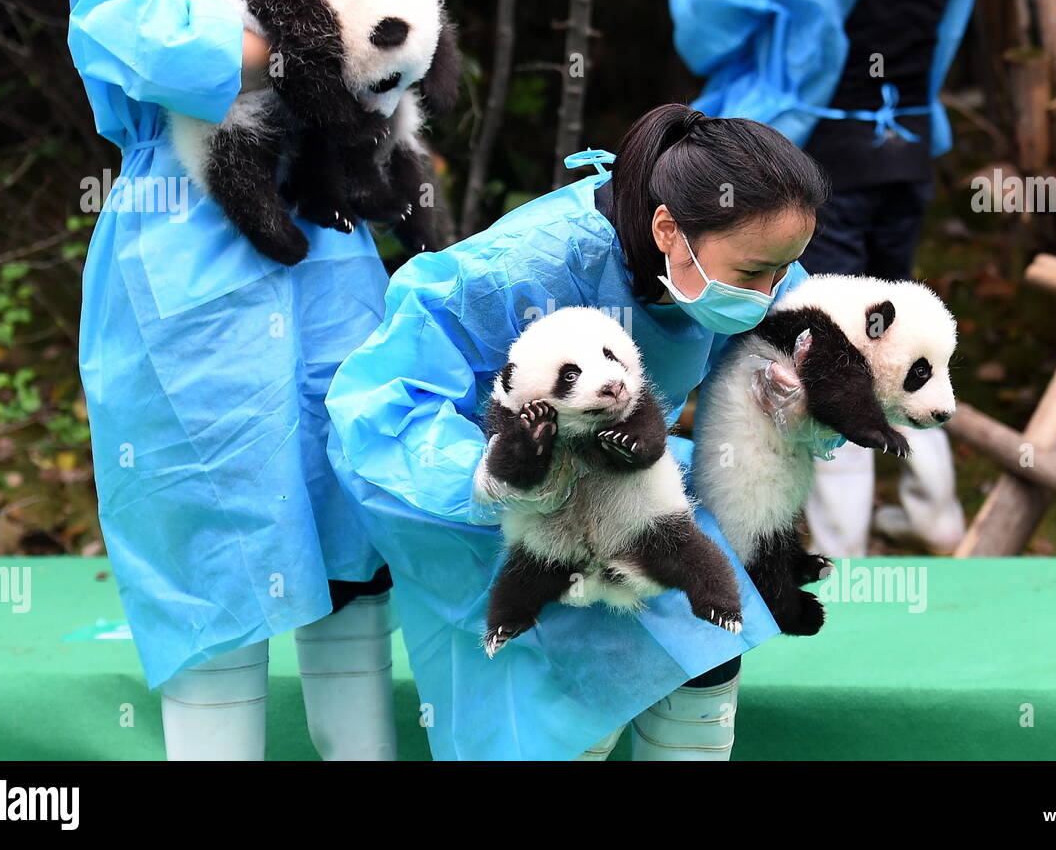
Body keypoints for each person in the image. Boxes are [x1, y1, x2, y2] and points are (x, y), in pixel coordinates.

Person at [326, 103, 830, 760]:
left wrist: (805, 407)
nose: (773, 291)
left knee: (709, 645)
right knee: (566, 708)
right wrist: (491, 476)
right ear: (668, 231)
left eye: (783, 268)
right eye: (754, 274)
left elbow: (796, 350)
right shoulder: (523, 269)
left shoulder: (751, 250)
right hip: (472, 507)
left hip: (625, 477)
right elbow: (380, 401)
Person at [66, 0, 397, 760]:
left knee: (351, 508)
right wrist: (298, 59)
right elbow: (125, 24)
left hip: (322, 234)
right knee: (210, 528)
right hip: (190, 224)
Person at [670, 0, 983, 556]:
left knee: (827, 344)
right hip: (908, 155)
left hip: (815, 168)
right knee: (898, 330)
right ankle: (936, 513)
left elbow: (700, 29)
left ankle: (844, 543)